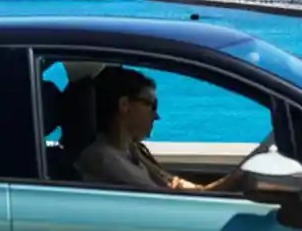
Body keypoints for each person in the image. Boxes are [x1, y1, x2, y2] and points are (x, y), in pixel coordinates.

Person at [75, 66, 246, 192]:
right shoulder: (103, 159)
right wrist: (240, 176)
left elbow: (175, 186)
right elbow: (174, 201)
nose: (156, 116)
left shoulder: (133, 150)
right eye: (151, 105)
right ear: (124, 105)